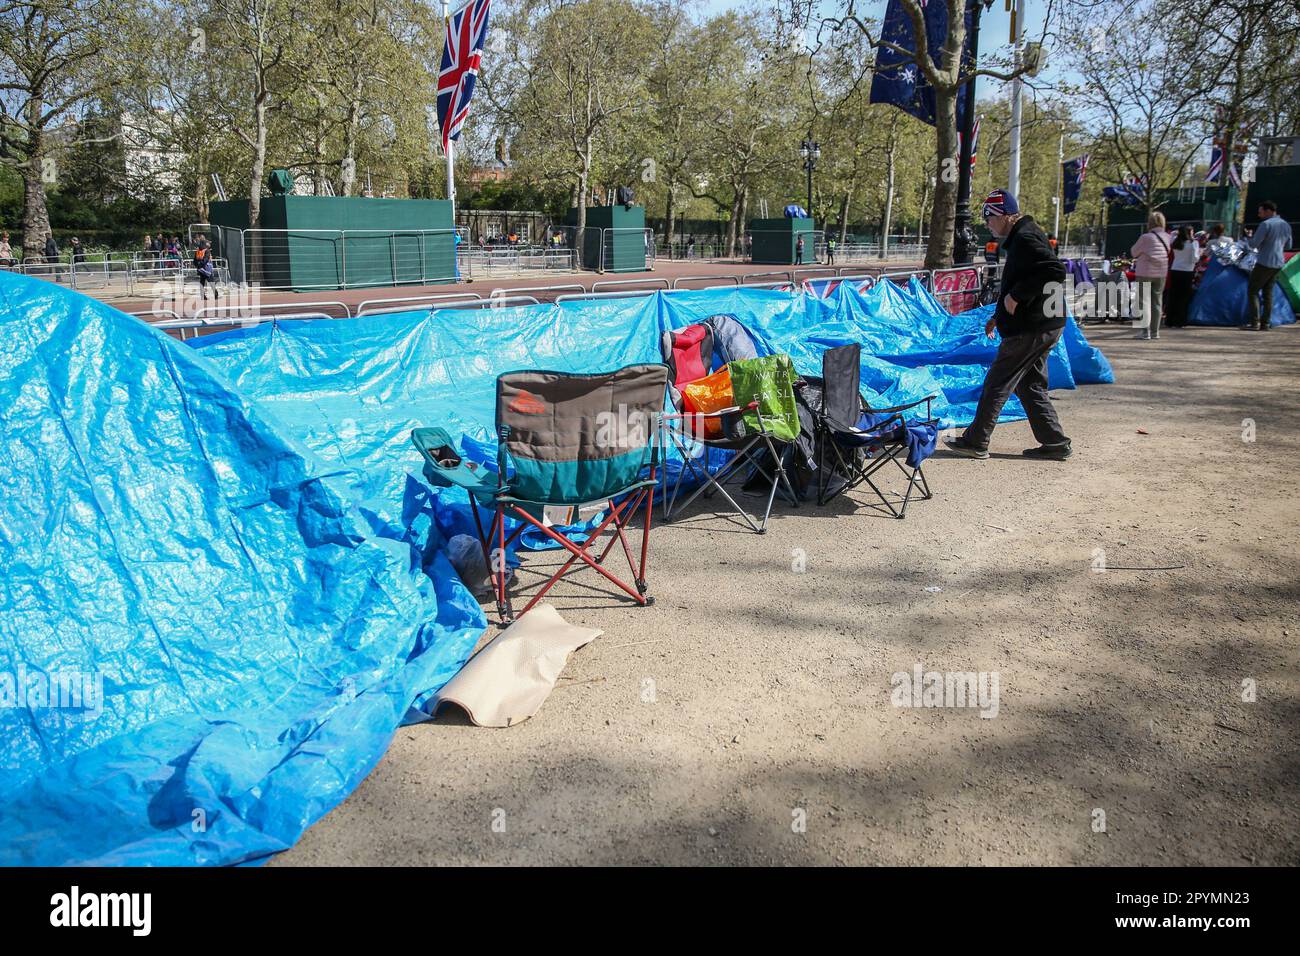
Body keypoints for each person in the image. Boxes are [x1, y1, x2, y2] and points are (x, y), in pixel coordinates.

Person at [945, 189, 1071, 461]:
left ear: (1003, 216)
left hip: (1033, 325)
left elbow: (1054, 270)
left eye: (989, 219)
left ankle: (976, 440)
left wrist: (1017, 296)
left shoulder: (1025, 238)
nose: (988, 225)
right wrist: (999, 315)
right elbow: (1021, 278)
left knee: (998, 381)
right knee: (1030, 384)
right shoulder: (1023, 237)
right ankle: (1055, 442)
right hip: (1045, 324)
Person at [1243, 200, 1293, 331]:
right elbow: (1289, 246)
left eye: (1261, 212)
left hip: (1264, 261)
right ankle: (1265, 323)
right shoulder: (1286, 225)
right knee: (1268, 293)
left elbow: (1253, 244)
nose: (1259, 215)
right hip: (1278, 263)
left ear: (1268, 211)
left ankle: (1254, 322)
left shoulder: (1265, 224)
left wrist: (1249, 237)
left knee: (1252, 290)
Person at [1129, 211, 1171, 340]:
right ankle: (1155, 331)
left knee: (1143, 301)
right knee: (1157, 302)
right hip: (1161, 272)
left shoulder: (1146, 237)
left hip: (1145, 272)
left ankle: (1144, 331)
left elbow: (1133, 252)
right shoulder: (1167, 237)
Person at [1165, 224, 1199, 328]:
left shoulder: (1175, 242)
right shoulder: (1193, 243)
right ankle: (1180, 320)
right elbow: (1194, 259)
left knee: (1173, 295)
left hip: (1175, 269)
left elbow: (1172, 236)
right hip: (1187, 271)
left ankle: (1170, 320)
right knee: (1184, 297)